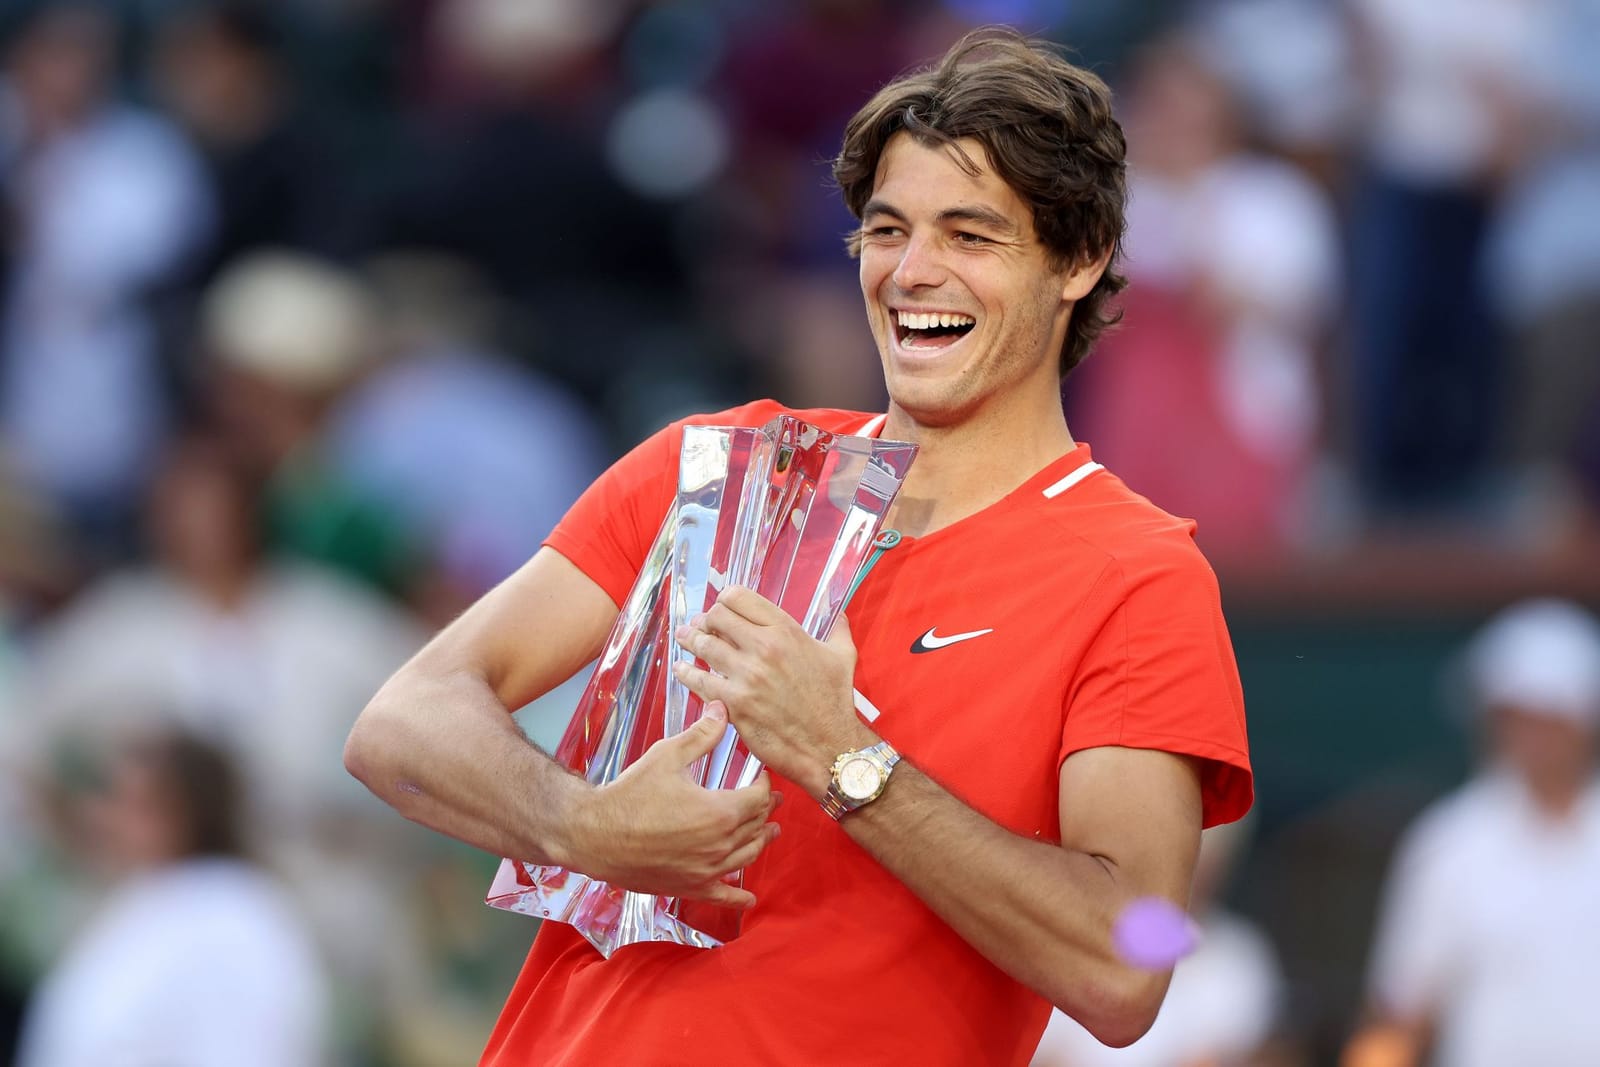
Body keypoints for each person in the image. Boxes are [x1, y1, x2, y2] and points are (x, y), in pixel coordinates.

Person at [345, 29, 1253, 1065]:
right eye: (886, 229)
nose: (913, 272)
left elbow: (1130, 960)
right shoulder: (718, 469)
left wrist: (843, 757)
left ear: (1079, 259)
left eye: (969, 234)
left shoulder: (1138, 574)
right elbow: (401, 720)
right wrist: (581, 823)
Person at [1343, 598, 1600, 1067]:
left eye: (1548, 717)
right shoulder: (1450, 843)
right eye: (1515, 717)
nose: (1531, 736)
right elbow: (1399, 1015)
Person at [14, 727, 330, 1066]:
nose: (109, 819)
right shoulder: (148, 900)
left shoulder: (234, 919)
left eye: (138, 804)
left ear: (189, 813)